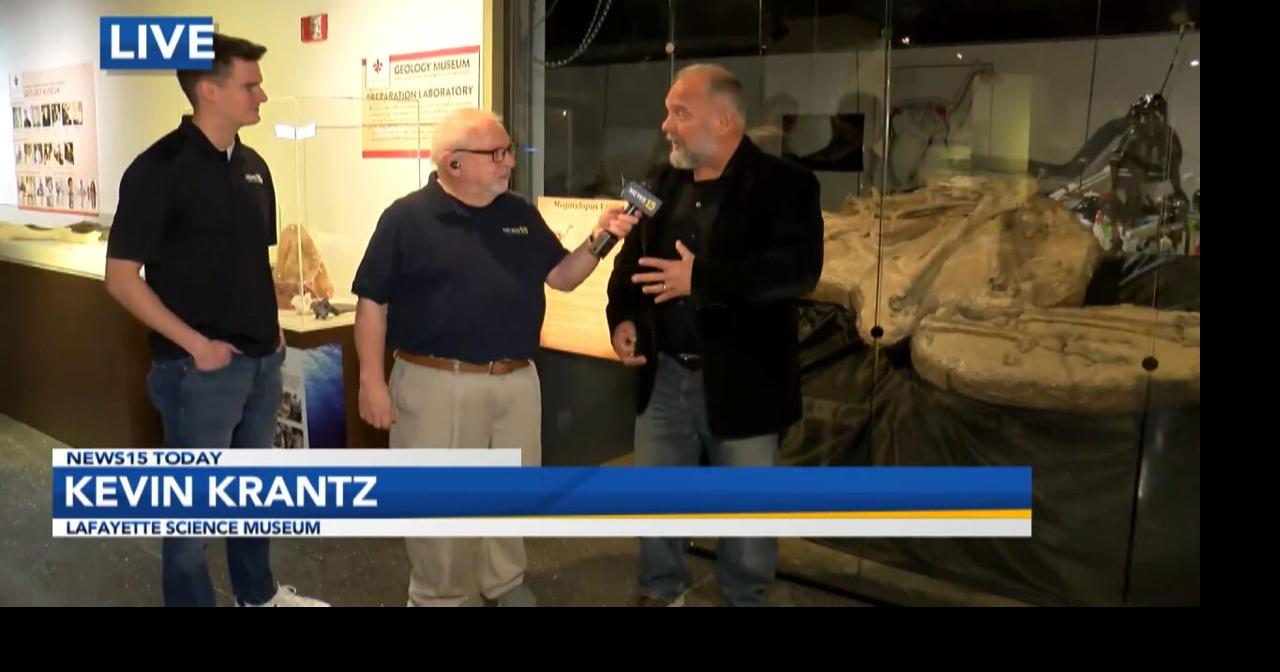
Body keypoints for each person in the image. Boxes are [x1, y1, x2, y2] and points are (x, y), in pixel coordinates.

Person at [352, 108, 636, 607]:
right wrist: (371, 382)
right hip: (437, 382)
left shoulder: (518, 214)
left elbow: (563, 277)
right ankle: (440, 596)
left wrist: (603, 236)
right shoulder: (406, 218)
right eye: (497, 153)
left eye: (510, 150)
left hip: (516, 381)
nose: (509, 162)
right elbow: (372, 303)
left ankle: (502, 581)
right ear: (453, 163)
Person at [104, 33, 327, 608]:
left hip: (260, 362)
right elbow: (122, 278)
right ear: (209, 90)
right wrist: (196, 345)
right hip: (196, 371)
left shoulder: (254, 168)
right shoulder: (158, 169)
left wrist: (273, 328)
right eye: (250, 85)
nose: (263, 95)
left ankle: (258, 595)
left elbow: (254, 261)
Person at [606, 64, 824, 607]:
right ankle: (660, 593)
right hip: (663, 380)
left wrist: (699, 280)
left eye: (680, 112)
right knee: (656, 507)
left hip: (745, 383)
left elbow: (798, 270)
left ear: (725, 119)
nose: (666, 125)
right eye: (667, 111)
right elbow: (628, 270)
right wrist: (623, 321)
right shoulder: (655, 183)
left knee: (748, 519)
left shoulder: (786, 184)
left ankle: (744, 598)